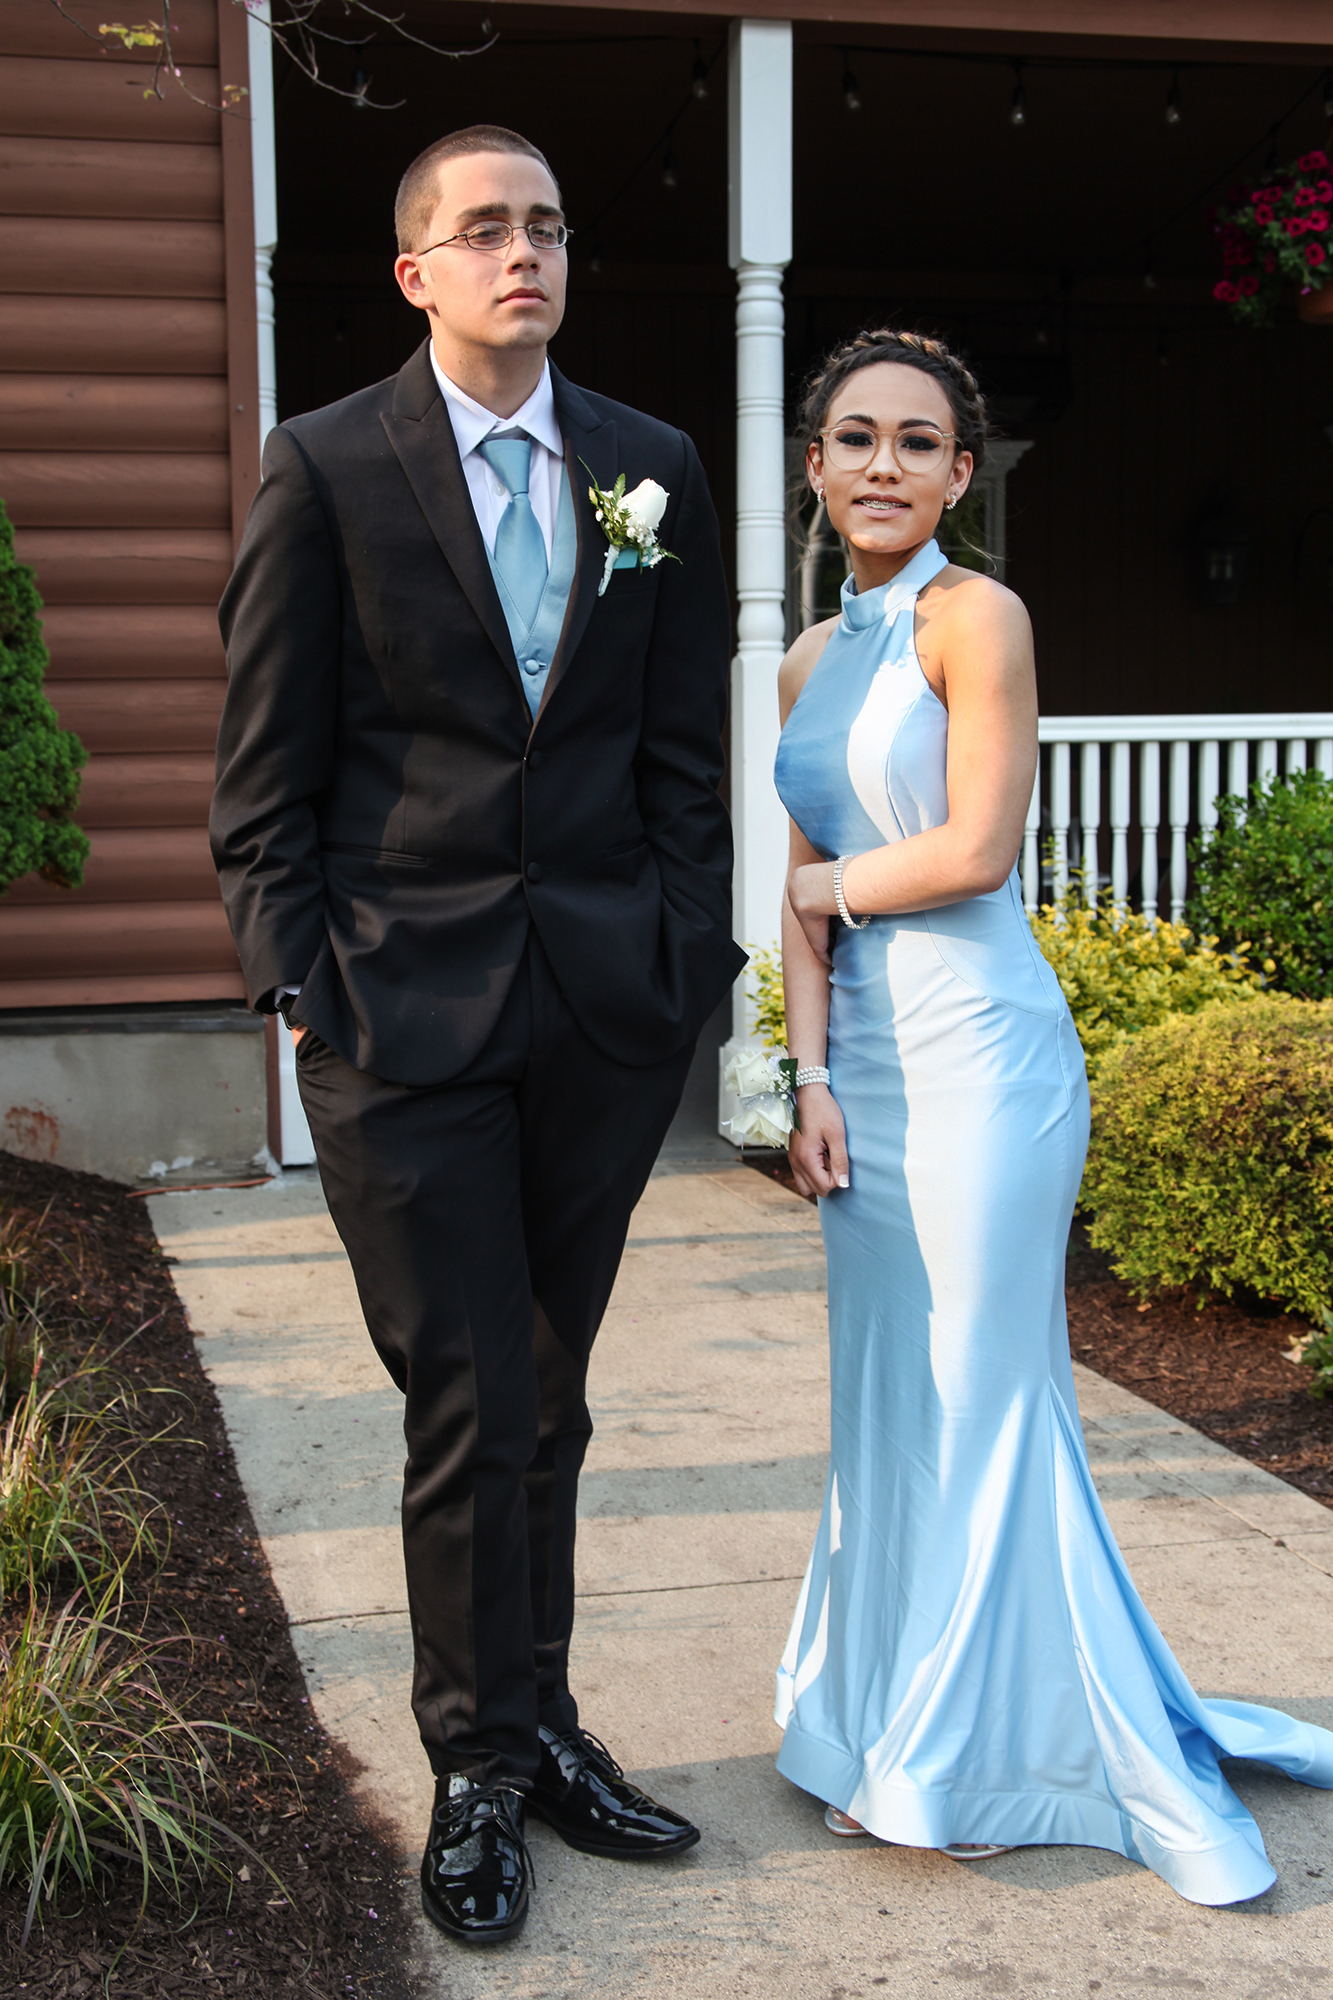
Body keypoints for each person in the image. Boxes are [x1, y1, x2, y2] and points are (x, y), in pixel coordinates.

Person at [210, 125, 744, 1947]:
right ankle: (474, 1770)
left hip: (601, 1016)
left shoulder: (648, 469)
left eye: (547, 226)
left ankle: (546, 1724)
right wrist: (305, 989)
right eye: (484, 230)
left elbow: (679, 752)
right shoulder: (325, 467)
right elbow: (262, 783)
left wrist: (686, 957)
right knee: (470, 1398)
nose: (525, 252)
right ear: (415, 274)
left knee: (554, 1392)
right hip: (400, 1014)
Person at [770, 326, 1333, 1905]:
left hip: (979, 1054)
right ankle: (876, 1724)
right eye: (856, 439)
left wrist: (821, 885)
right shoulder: (810, 661)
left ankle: (972, 1758)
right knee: (887, 1399)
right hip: (863, 1072)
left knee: (978, 1388)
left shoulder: (979, 615)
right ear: (814, 468)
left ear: (960, 474)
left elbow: (971, 851)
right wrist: (803, 1082)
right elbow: (790, 905)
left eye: (917, 443)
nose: (884, 465)